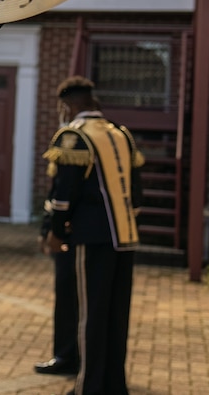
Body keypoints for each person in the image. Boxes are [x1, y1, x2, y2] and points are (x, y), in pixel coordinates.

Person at [41, 76, 144, 395]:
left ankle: (89, 386)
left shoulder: (74, 136)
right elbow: (137, 193)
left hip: (91, 237)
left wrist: (56, 233)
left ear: (69, 105)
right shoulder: (121, 133)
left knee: (90, 315)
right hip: (125, 236)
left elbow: (64, 195)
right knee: (116, 315)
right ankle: (113, 384)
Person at [34, 177, 79, 376]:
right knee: (66, 297)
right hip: (65, 233)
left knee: (78, 299)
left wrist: (56, 231)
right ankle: (65, 356)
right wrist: (47, 228)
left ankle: (76, 357)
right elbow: (56, 192)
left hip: (78, 233)